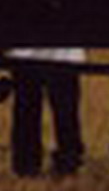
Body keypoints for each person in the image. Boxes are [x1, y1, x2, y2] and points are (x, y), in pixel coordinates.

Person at [5, 47, 85, 176]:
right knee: (65, 104)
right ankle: (69, 155)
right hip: (65, 56)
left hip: (25, 56)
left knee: (26, 103)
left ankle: (26, 161)